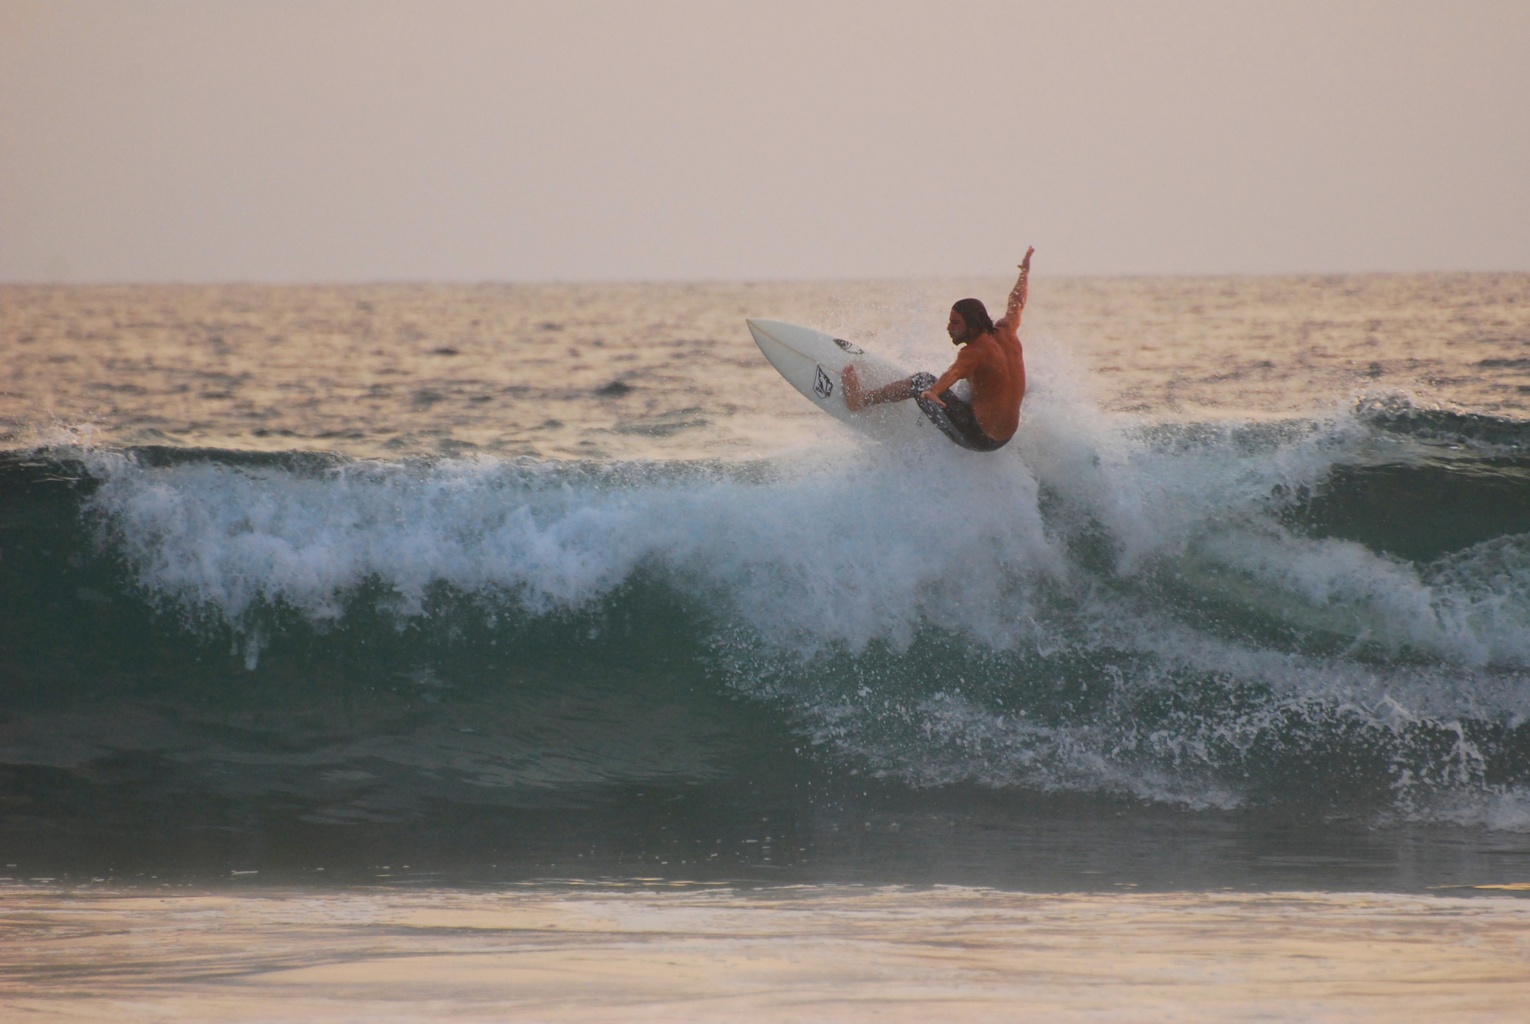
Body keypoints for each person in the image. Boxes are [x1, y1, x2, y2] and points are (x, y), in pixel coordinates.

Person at [843, 247, 1033, 451]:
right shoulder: (1008, 330)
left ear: (973, 325)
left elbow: (955, 371)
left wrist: (934, 391)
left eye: (955, 323)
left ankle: (860, 399)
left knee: (920, 381)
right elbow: (1017, 301)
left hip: (978, 436)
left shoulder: (974, 352)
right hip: (1005, 438)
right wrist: (1025, 274)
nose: (949, 328)